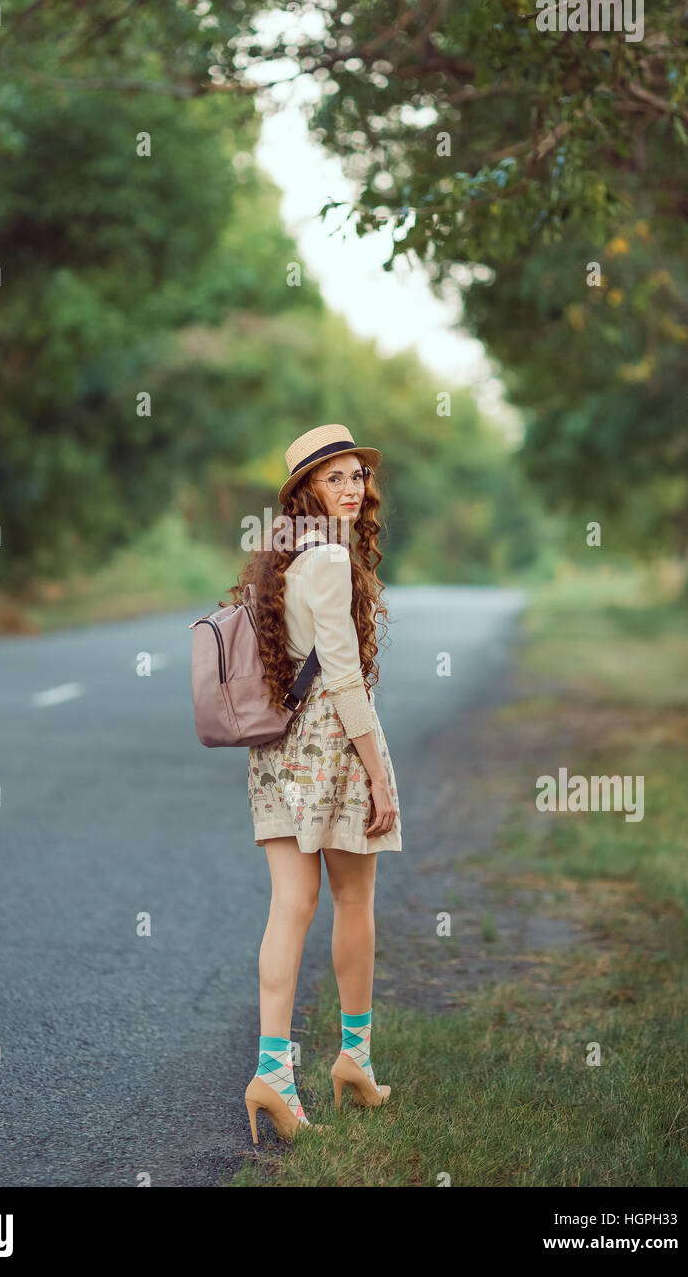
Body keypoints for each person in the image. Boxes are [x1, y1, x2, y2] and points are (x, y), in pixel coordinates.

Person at [227, 423, 402, 1143]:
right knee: (353, 901)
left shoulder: (279, 558)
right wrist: (378, 774)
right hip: (331, 748)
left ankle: (275, 1073)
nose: (353, 489)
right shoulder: (328, 558)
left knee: (290, 906)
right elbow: (343, 676)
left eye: (358, 476)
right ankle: (354, 1060)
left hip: (276, 753)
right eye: (336, 478)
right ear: (306, 489)